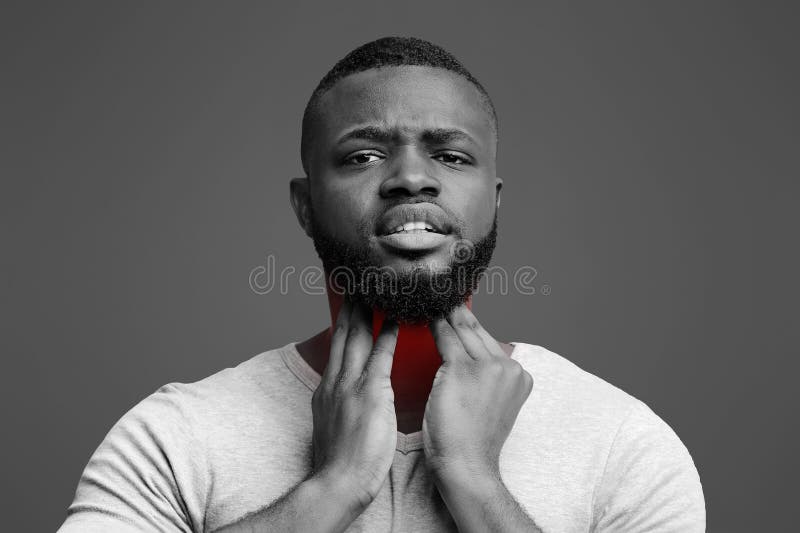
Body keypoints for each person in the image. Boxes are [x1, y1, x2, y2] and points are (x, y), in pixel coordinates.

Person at [58, 36, 705, 532]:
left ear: (495, 202)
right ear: (306, 205)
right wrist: (332, 487)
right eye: (363, 155)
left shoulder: (624, 443)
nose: (411, 179)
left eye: (451, 156)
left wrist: (478, 485)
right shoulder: (174, 438)